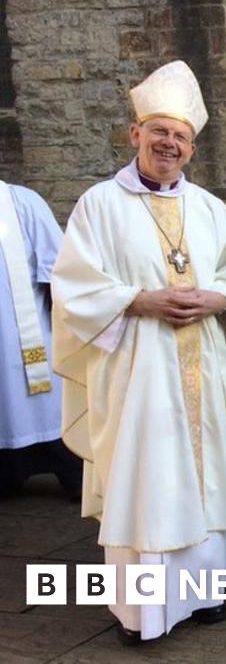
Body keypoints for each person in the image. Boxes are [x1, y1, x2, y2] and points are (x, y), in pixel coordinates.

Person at [50, 60, 226, 644]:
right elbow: (73, 288)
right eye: (159, 131)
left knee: (205, 477)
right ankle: (144, 612)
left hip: (203, 366)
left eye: (181, 136)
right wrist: (140, 300)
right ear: (135, 133)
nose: (170, 143)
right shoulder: (99, 204)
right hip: (136, 368)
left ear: (192, 147)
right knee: (148, 481)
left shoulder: (212, 208)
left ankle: (207, 593)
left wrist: (216, 300)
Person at [0, 181, 79, 496]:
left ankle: (71, 472)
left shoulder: (22, 201)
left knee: (44, 406)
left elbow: (56, 266)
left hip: (26, 335)